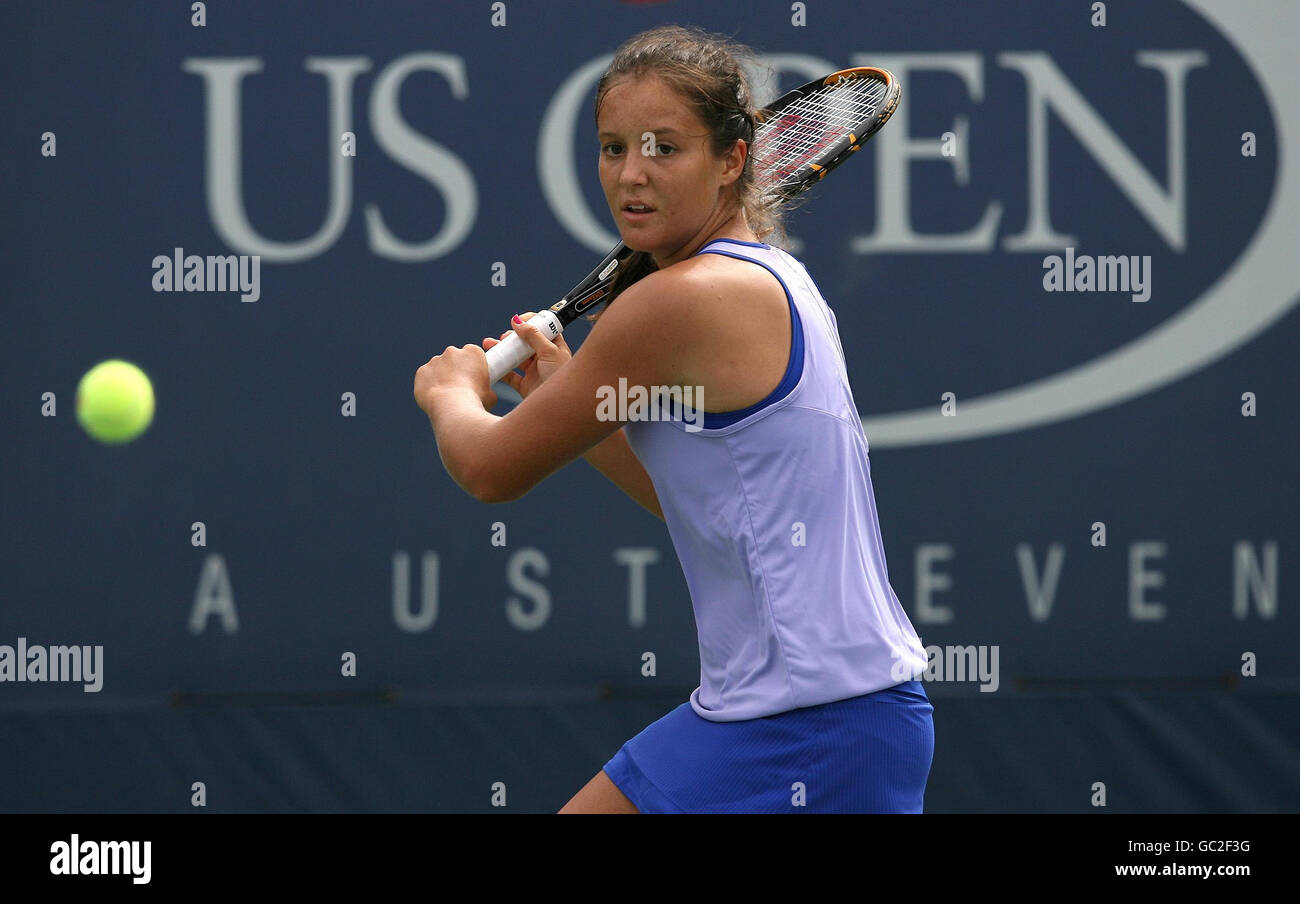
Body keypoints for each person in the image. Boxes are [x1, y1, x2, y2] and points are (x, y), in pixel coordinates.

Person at [413, 25, 933, 813]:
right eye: (613, 147)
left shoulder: (681, 300)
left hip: (817, 726)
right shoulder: (772, 279)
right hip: (777, 713)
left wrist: (450, 393)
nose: (631, 174)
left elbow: (488, 470)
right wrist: (562, 388)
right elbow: (714, 503)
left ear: (733, 159)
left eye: (664, 148)